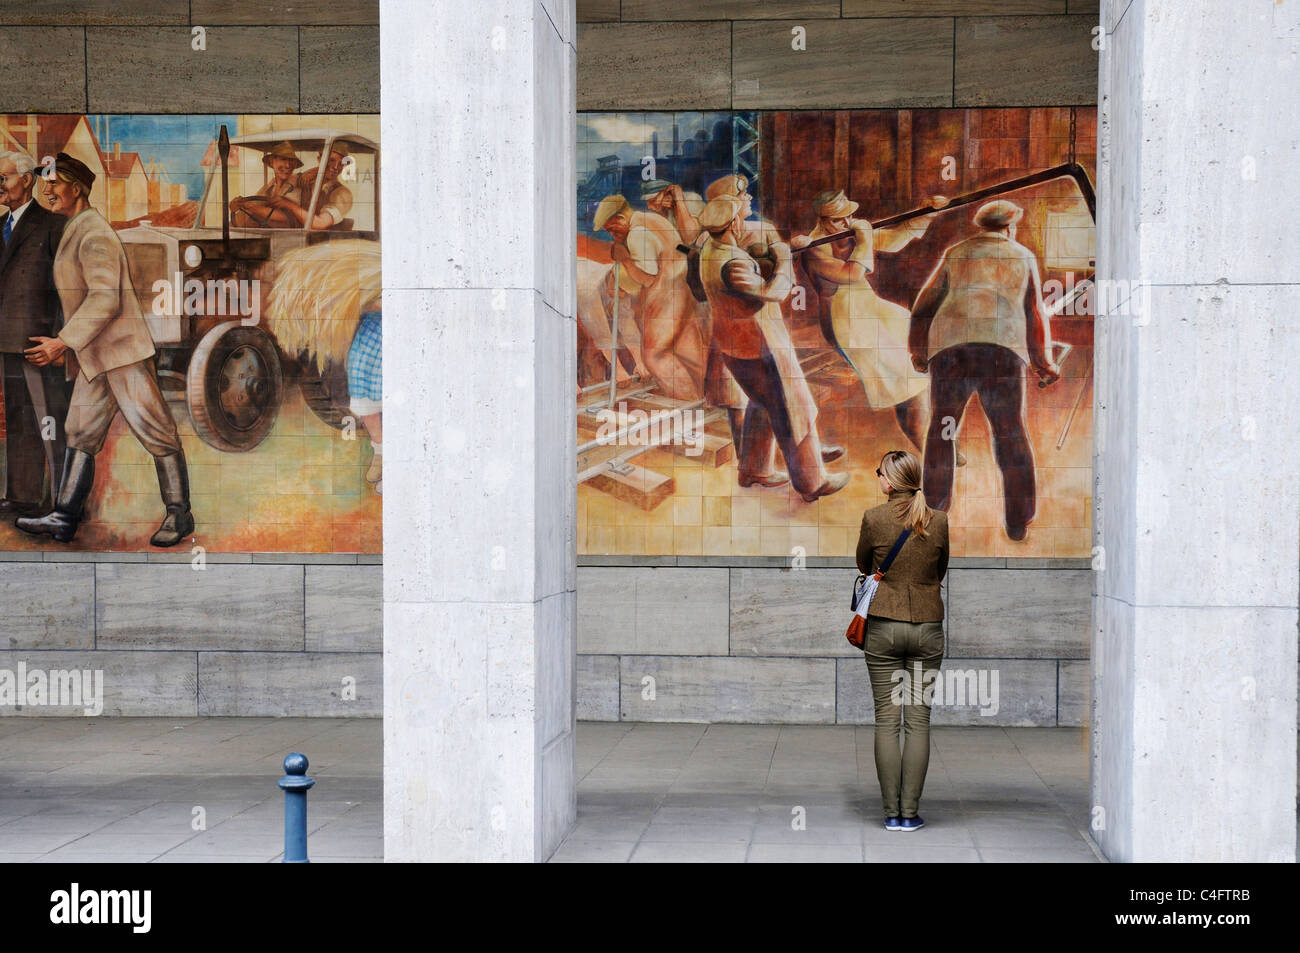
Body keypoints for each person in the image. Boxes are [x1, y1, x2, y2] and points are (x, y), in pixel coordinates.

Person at [17, 153, 194, 547]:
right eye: (45, 182)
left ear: (75, 188)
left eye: (53, 182)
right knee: (80, 431)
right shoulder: (76, 228)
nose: (47, 190)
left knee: (155, 429)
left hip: (121, 354)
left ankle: (180, 515)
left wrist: (64, 341)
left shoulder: (94, 233)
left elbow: (104, 300)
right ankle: (64, 518)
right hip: (96, 356)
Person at [909, 200, 1060, 541]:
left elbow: (924, 304)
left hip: (951, 353)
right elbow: (1034, 313)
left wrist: (919, 349)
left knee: (943, 429)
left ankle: (934, 513)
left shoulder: (957, 253)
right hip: (1001, 353)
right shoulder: (1022, 256)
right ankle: (1018, 519)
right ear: (1010, 227)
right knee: (1010, 432)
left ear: (982, 227)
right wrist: (1043, 362)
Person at [696, 193, 847, 502]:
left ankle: (753, 469)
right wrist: (784, 256)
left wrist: (774, 250)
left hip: (736, 348)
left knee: (761, 404)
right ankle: (812, 482)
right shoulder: (732, 262)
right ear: (734, 222)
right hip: (756, 346)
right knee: (792, 410)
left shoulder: (710, 250)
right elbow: (775, 292)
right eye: (740, 215)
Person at [794, 189, 938, 456]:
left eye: (850, 216)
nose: (847, 223)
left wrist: (927, 213)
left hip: (870, 310)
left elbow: (894, 240)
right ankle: (931, 449)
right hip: (847, 322)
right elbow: (852, 273)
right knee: (906, 381)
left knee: (919, 349)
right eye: (839, 220)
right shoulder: (814, 248)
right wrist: (864, 239)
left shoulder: (849, 235)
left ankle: (937, 442)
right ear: (823, 220)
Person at [856, 449, 949, 831]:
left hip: (882, 628)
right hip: (927, 627)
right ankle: (910, 813)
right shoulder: (939, 520)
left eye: (879, 473)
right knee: (918, 722)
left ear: (890, 482)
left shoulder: (874, 518)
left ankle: (890, 814)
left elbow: (864, 564)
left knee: (886, 721)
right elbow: (940, 569)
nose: (878, 478)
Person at [0, 151, 71, 517]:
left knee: (49, 422)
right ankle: (22, 496)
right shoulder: (1, 225)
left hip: (40, 343)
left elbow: (66, 288)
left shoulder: (52, 226)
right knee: (18, 418)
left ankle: (61, 502)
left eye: (5, 177)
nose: (0, 184)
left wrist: (61, 340)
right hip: (7, 342)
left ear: (27, 180)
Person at [593, 193, 706, 402]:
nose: (612, 235)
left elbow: (647, 278)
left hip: (665, 298)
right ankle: (702, 399)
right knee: (688, 352)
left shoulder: (637, 234)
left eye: (611, 229)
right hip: (683, 289)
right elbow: (680, 247)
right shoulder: (654, 220)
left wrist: (625, 262)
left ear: (620, 219)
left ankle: (688, 401)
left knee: (655, 356)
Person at [255, 140, 355, 231]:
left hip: (320, 244)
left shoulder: (342, 194)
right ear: (320, 160)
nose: (335, 167)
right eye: (331, 160)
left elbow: (318, 224)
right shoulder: (305, 180)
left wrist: (288, 204)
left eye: (341, 164)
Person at [229, 140, 303, 228]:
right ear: (272, 162)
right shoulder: (269, 187)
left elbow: (286, 216)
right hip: (267, 233)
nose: (287, 165)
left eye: (291, 160)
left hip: (290, 235)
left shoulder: (298, 184)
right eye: (283, 159)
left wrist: (251, 207)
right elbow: (255, 204)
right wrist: (238, 206)